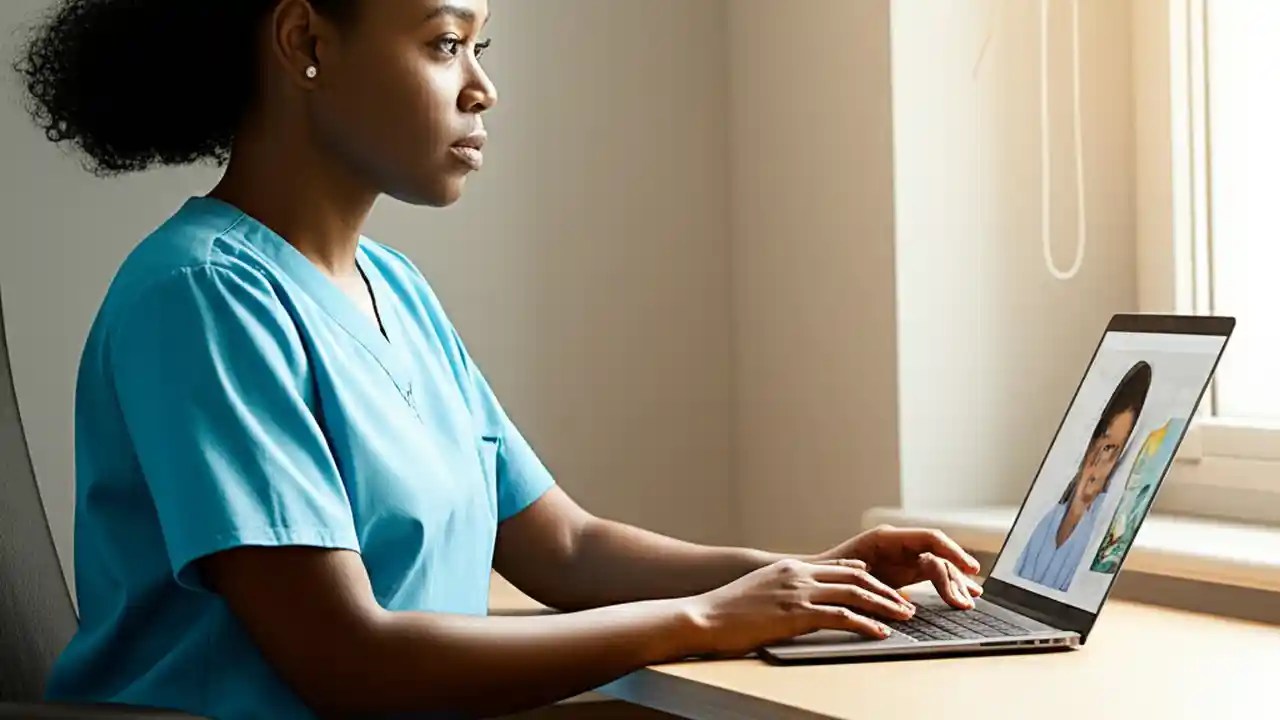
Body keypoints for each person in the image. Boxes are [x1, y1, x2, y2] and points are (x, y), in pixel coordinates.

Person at [17, 1, 983, 718]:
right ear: (307, 42)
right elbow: (350, 661)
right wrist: (706, 620)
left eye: (481, 46)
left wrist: (809, 577)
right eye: (445, 44)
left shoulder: (395, 290)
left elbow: (565, 549)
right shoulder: (202, 298)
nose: (482, 87)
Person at [1015, 361, 1153, 592]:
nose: (1097, 461)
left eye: (1111, 449)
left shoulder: (1100, 540)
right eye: (1099, 443)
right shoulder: (1047, 520)